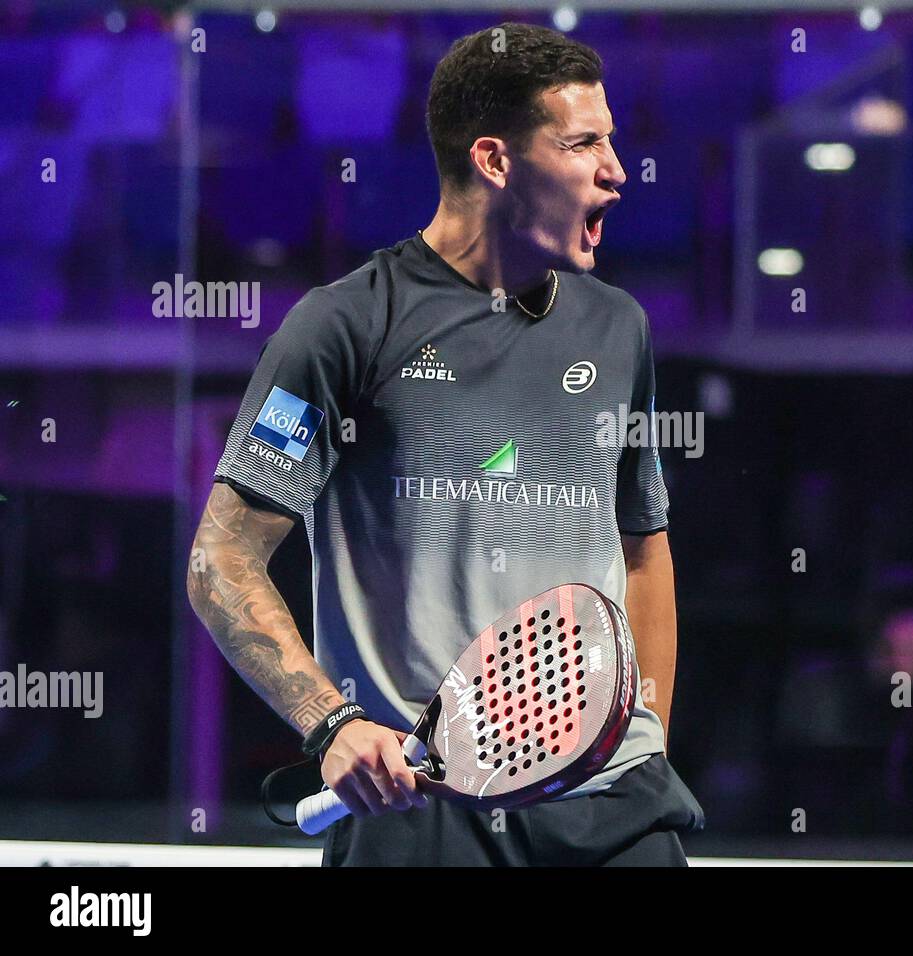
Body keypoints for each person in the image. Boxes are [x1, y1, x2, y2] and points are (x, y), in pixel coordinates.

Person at [187, 21, 702, 866]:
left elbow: (643, 551)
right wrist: (332, 724)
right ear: (496, 161)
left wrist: (634, 736)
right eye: (584, 145)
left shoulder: (621, 330)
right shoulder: (343, 326)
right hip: (420, 815)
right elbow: (220, 559)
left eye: (613, 141)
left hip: (616, 809)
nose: (617, 171)